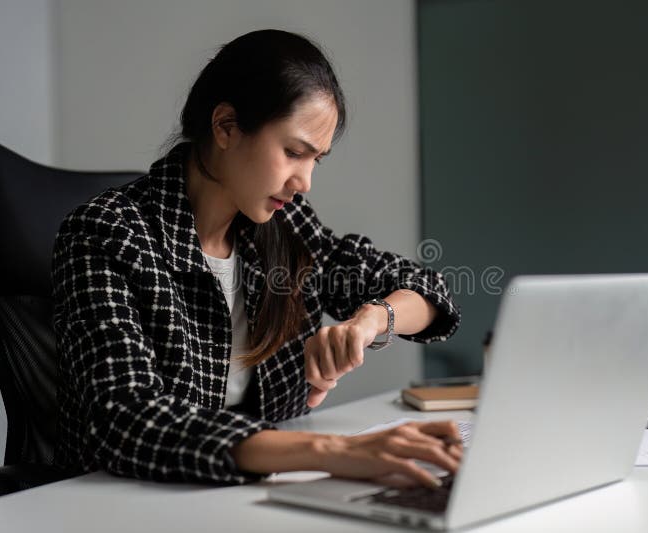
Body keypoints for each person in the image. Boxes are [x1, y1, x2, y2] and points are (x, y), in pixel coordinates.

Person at [52, 29, 461, 488]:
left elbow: (430, 291)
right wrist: (334, 452)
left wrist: (371, 320)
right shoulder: (107, 233)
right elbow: (127, 421)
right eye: (292, 152)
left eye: (315, 160)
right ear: (226, 126)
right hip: (125, 501)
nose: (303, 181)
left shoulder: (285, 225)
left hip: (249, 497)